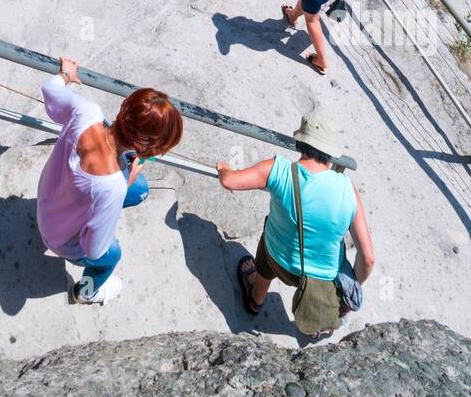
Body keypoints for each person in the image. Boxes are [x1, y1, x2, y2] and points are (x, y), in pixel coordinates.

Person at [36, 57, 183, 305]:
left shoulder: (87, 112)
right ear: (146, 147)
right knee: (112, 256)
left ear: (125, 105)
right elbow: (94, 250)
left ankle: (99, 214)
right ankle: (86, 292)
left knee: (140, 190)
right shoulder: (112, 187)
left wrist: (66, 75)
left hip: (47, 200)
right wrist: (128, 176)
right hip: (60, 238)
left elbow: (50, 89)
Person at [216, 110, 374, 334]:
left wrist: (224, 168)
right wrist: (352, 283)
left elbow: (230, 181)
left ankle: (255, 298)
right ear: (331, 152)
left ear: (300, 142)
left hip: (278, 258)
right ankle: (315, 323)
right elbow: (367, 258)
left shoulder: (279, 170)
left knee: (271, 235)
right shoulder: (347, 190)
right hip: (321, 278)